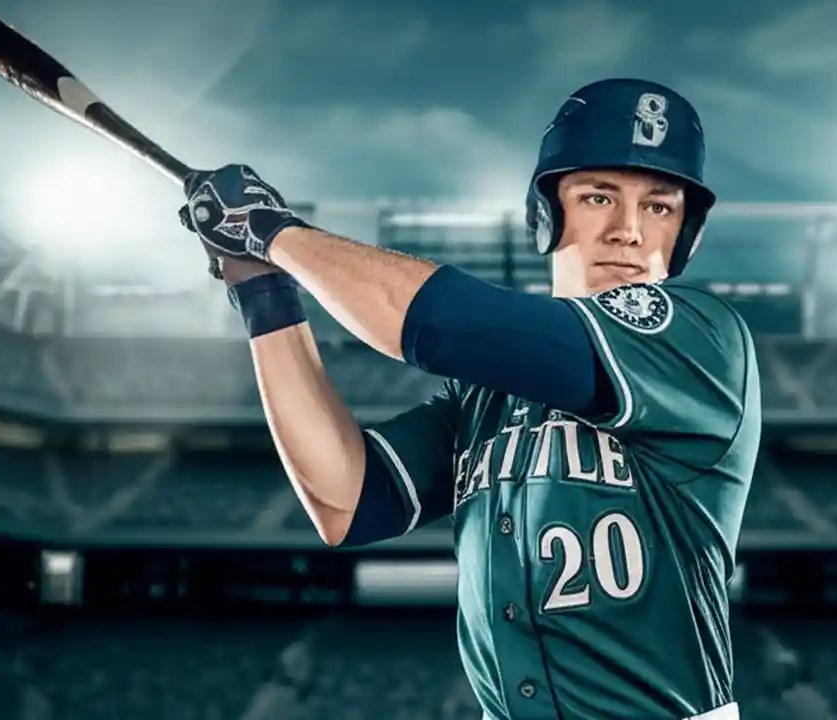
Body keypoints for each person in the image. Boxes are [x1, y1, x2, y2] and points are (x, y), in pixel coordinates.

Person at [178, 78, 761, 720]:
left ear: (685, 233)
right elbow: (346, 499)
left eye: (659, 207)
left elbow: (434, 322)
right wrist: (264, 294)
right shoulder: (490, 393)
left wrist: (275, 234)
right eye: (599, 196)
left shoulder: (699, 339)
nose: (629, 231)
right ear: (548, 213)